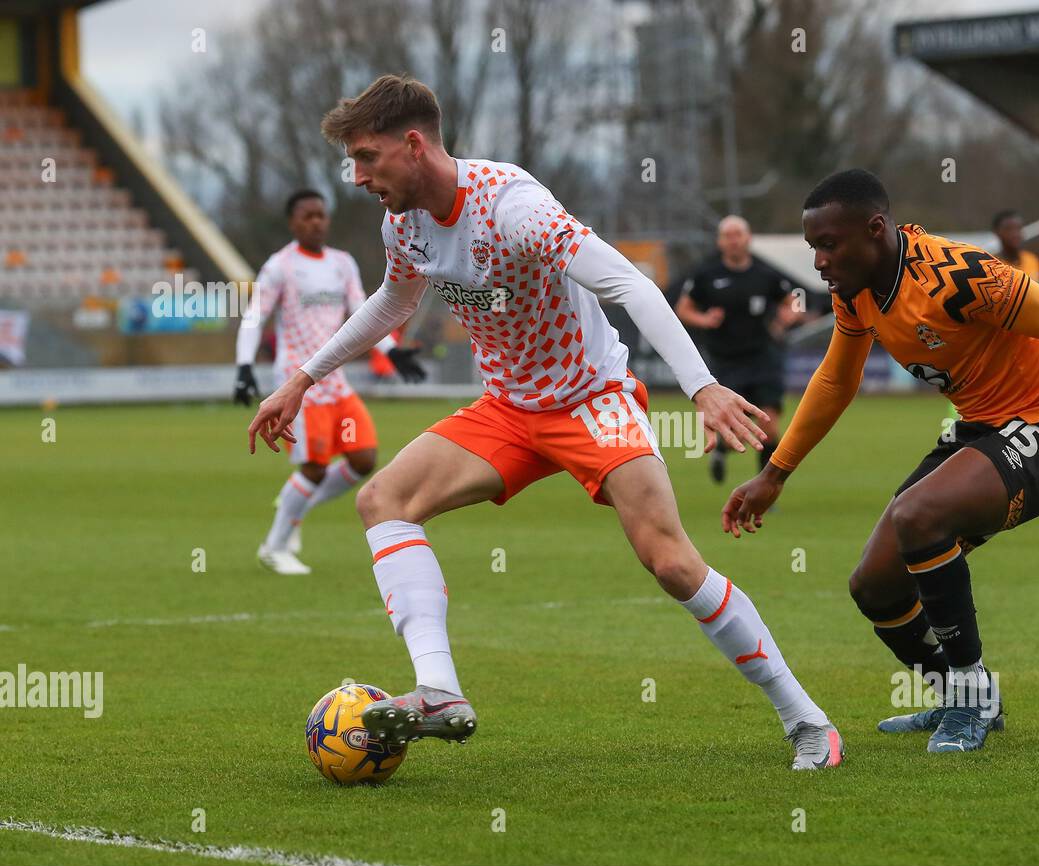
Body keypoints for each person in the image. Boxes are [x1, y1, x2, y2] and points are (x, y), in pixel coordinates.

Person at [247, 75, 842, 770]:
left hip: (594, 399)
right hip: (507, 409)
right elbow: (392, 301)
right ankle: (439, 690)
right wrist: (301, 377)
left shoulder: (514, 206)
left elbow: (628, 284)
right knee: (384, 500)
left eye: (366, 157)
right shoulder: (402, 221)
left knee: (672, 563)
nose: (357, 177)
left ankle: (807, 721)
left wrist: (702, 387)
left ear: (413, 145)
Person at [722, 169, 1039, 753]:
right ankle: (963, 698)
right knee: (874, 585)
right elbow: (837, 379)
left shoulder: (957, 276)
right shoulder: (857, 289)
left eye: (828, 244)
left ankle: (968, 702)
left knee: (919, 516)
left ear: (875, 230)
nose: (818, 261)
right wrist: (775, 472)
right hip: (981, 428)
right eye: (814, 245)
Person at [235, 188, 426, 574]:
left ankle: (294, 506)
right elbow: (256, 315)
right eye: (307, 216)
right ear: (293, 222)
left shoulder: (342, 263)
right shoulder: (280, 266)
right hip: (297, 383)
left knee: (363, 458)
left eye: (321, 215)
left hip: (334, 380)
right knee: (314, 468)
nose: (316, 222)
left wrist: (389, 351)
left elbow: (365, 311)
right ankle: (274, 547)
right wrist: (243, 366)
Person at [675, 216, 802, 483]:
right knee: (734, 426)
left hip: (762, 356)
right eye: (728, 235)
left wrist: (788, 316)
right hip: (725, 360)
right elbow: (683, 309)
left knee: (769, 426)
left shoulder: (766, 274)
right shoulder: (705, 276)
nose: (734, 240)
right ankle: (721, 449)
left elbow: (794, 301)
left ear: (748, 238)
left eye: (738, 234)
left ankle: (765, 487)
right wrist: (704, 319)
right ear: (720, 242)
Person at [991, 209, 1039, 283]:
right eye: (1008, 229)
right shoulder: (993, 265)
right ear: (997, 232)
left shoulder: (1032, 259)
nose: (1015, 234)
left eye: (1018, 228)